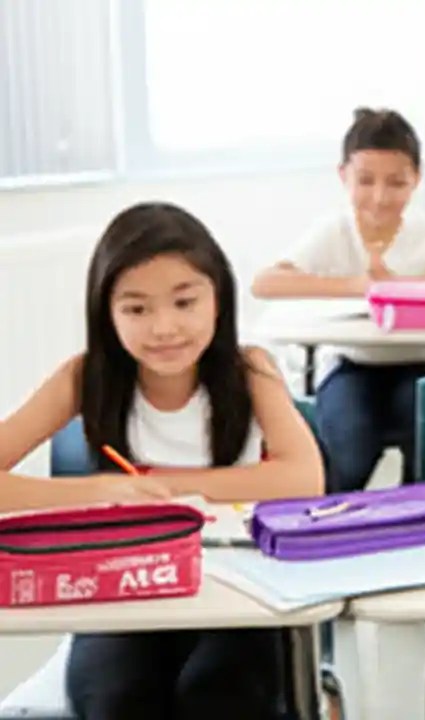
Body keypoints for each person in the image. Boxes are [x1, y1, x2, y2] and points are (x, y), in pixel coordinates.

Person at [0, 202, 323, 719]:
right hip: (124, 594)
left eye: (184, 301)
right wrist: (97, 492)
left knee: (218, 699)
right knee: (118, 701)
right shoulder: (84, 378)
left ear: (218, 298)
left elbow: (305, 479)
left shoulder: (250, 371)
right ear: (106, 313)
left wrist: (161, 484)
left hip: (239, 591)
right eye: (136, 309)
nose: (164, 328)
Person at [251, 107, 425, 493]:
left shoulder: (424, 231)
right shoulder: (334, 230)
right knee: (349, 442)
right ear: (343, 176)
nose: (379, 197)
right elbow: (265, 283)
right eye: (365, 180)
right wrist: (358, 286)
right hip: (352, 364)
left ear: (416, 180)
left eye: (396, 183)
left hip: (418, 362)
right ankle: (334, 523)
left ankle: (420, 523)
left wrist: (402, 288)